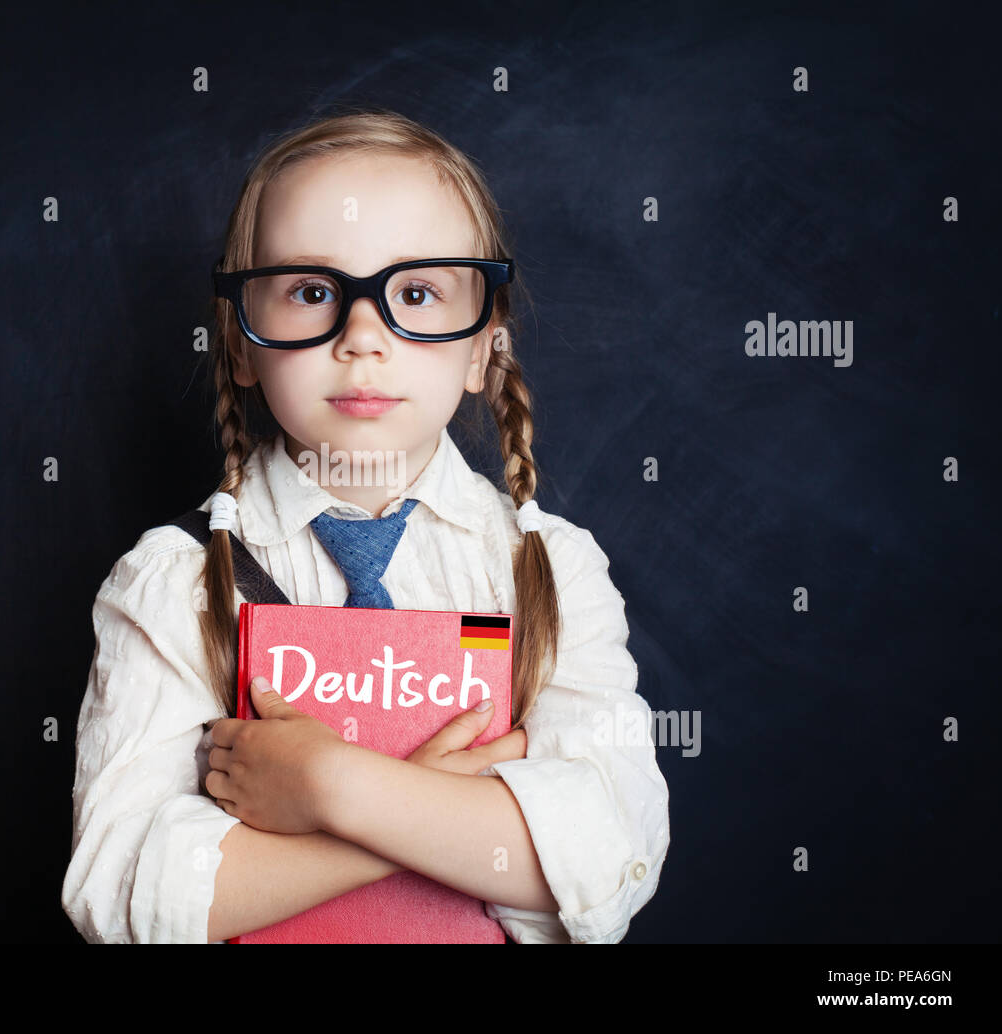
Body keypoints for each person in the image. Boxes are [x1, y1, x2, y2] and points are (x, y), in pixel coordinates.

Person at [61, 109, 670, 943]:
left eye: (416, 292)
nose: (363, 336)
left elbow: (605, 861)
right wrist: (423, 809)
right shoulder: (171, 582)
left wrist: (332, 787)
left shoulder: (551, 573)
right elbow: (124, 894)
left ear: (481, 348)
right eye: (313, 292)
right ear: (241, 342)